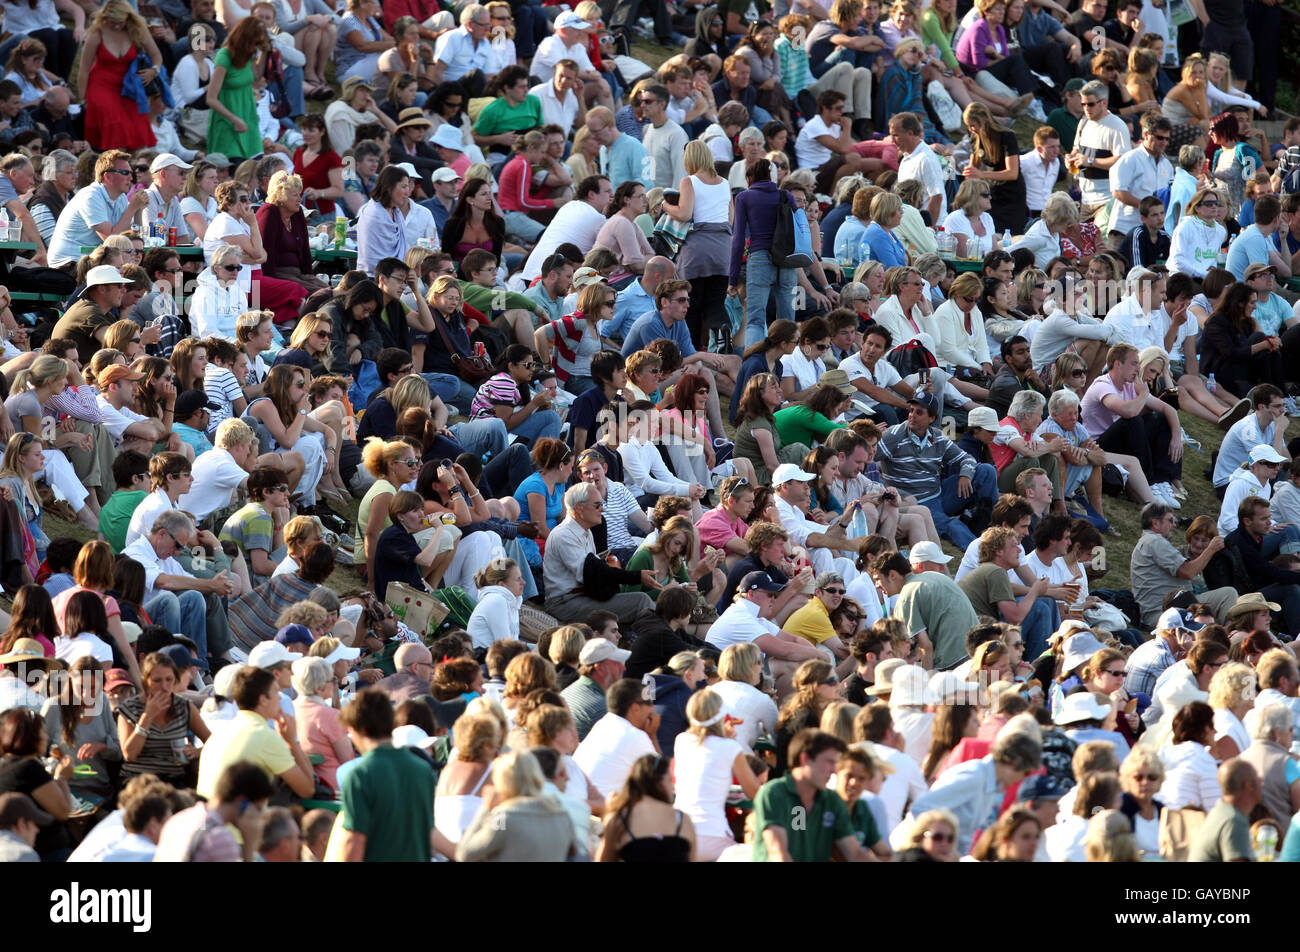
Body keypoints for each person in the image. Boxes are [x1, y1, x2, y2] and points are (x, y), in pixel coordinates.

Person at [336, 687, 453, 862]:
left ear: (357, 729)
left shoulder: (360, 775)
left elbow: (354, 841)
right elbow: (428, 830)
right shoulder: (422, 769)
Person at [875, 392, 998, 548]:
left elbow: (967, 459)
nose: (912, 415)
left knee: (986, 471)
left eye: (919, 412)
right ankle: (982, 553)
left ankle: (988, 523)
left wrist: (965, 475)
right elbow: (867, 460)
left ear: (931, 418)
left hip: (938, 494)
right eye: (911, 410)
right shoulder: (893, 435)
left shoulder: (938, 436)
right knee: (951, 526)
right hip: (914, 501)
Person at [543, 482, 658, 627]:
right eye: (597, 505)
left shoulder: (587, 530)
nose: (602, 509)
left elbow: (600, 568)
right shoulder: (564, 535)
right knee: (641, 601)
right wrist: (636, 577)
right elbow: (593, 573)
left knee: (642, 599)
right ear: (579, 508)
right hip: (564, 603)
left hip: (583, 595)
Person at [78, 1, 163, 152]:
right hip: (101, 85)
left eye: (120, 23)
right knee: (117, 129)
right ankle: (117, 167)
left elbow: (156, 55)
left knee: (138, 131)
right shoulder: (97, 33)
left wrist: (154, 70)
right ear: (105, 18)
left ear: (128, 19)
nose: (117, 26)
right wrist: (82, 98)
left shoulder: (137, 30)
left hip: (128, 88)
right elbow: (84, 69)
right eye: (112, 23)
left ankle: (134, 170)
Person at [206, 16, 270, 161]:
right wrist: (234, 119)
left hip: (248, 117)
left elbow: (256, 76)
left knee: (255, 169)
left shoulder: (248, 55)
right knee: (235, 170)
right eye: (254, 43)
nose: (256, 47)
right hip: (229, 122)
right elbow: (211, 98)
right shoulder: (225, 56)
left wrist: (265, 52)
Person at [1188, 759, 1259, 862]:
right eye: (1258, 778)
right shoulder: (1234, 820)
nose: (1261, 782)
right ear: (1248, 786)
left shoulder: (1221, 811)